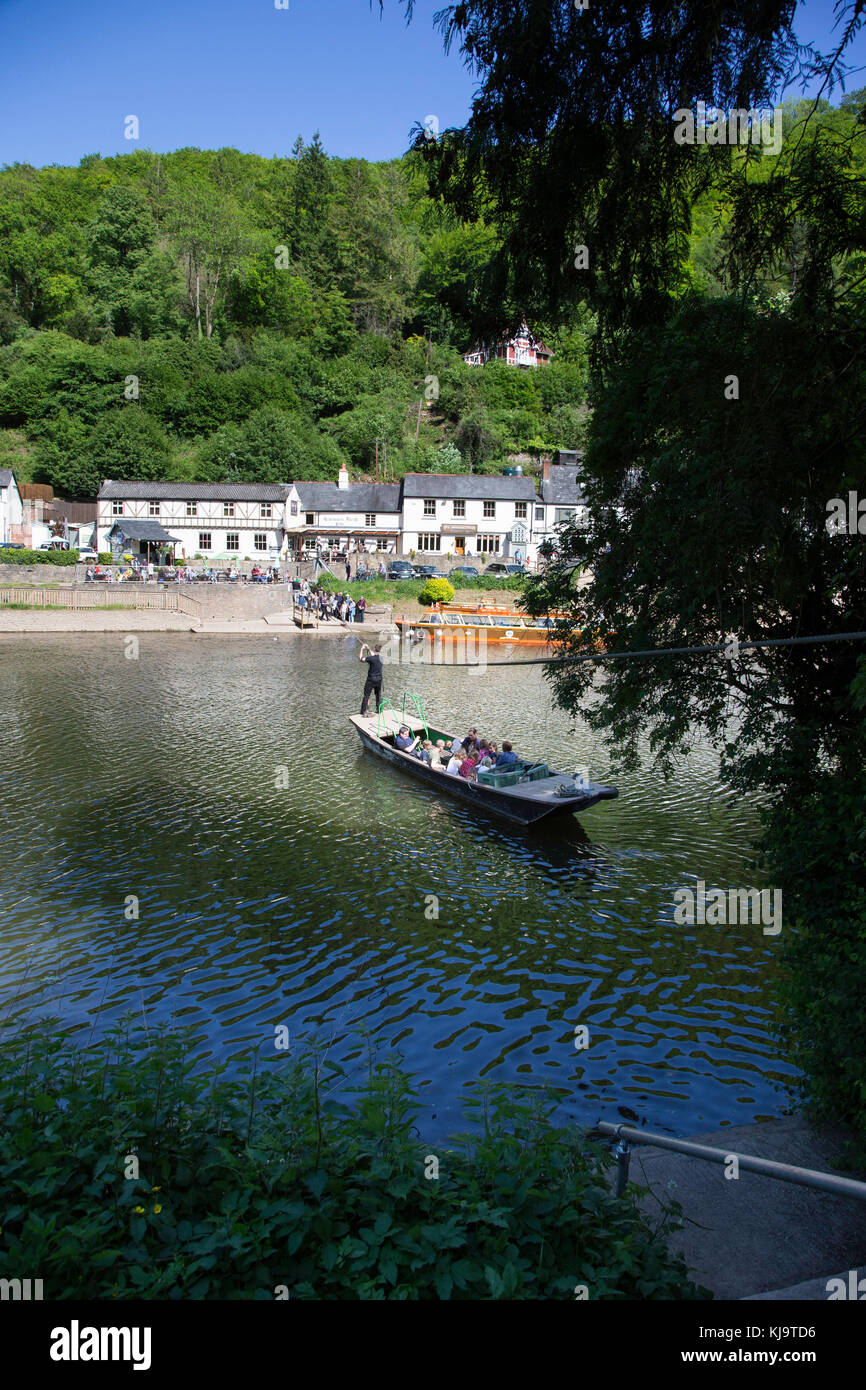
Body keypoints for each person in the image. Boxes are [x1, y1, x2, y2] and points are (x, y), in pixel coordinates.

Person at [359, 641, 384, 716]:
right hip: (379, 680)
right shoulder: (381, 658)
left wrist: (362, 649)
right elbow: (374, 655)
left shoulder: (371, 658)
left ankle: (363, 711)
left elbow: (360, 659)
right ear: (380, 650)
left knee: (367, 695)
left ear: (375, 649)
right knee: (378, 695)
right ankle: (379, 710)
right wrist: (369, 649)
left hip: (371, 679)